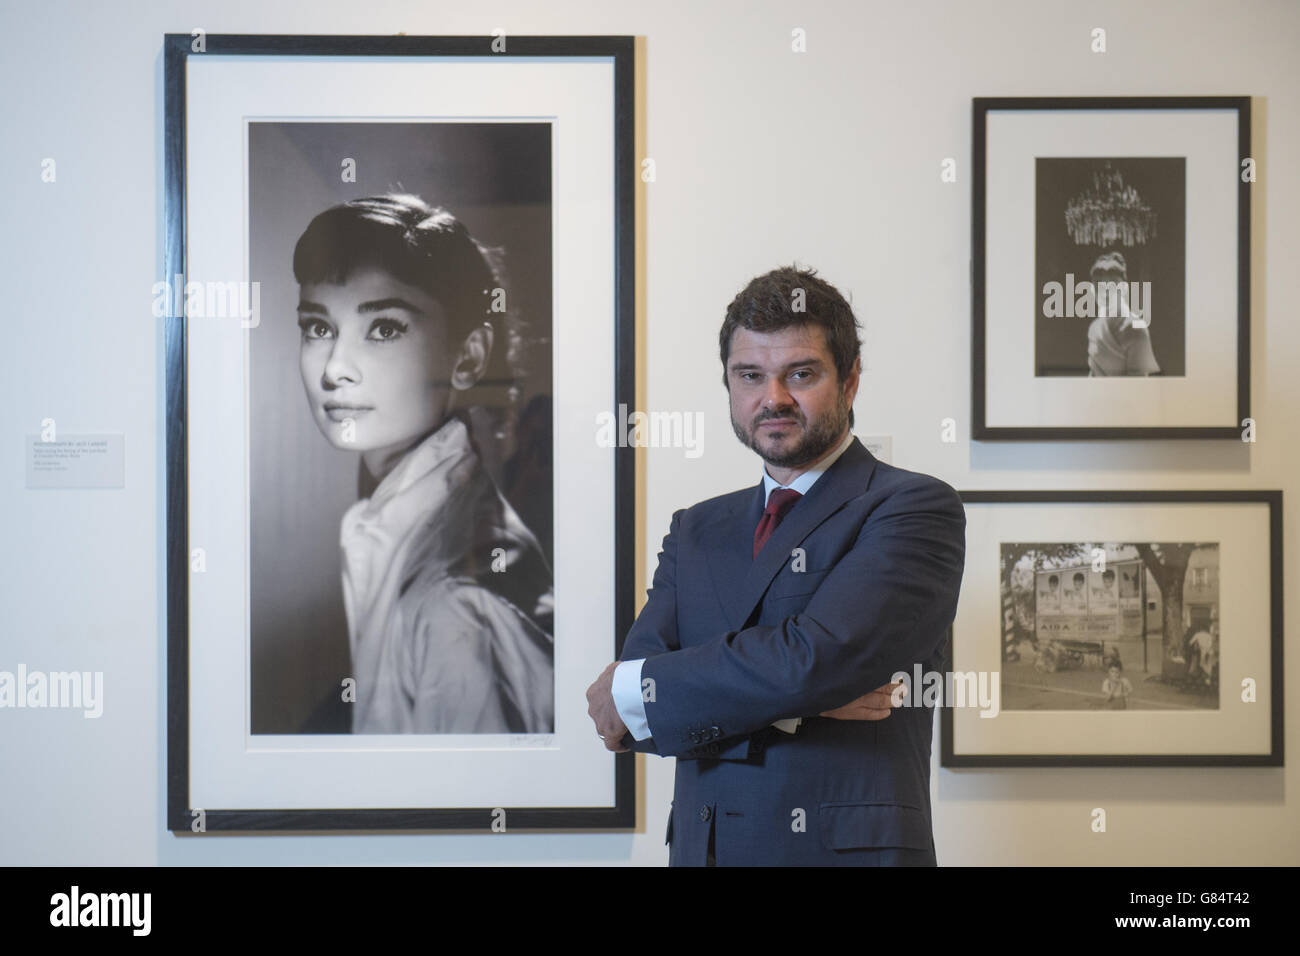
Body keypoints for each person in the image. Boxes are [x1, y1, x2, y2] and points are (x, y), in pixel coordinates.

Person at [585, 265, 966, 865]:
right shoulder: (696, 530)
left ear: (851, 379)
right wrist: (800, 701)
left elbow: (813, 661)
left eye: (801, 374)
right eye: (750, 376)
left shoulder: (910, 507)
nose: (774, 398)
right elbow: (630, 713)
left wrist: (713, 691)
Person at [293, 194, 554, 734]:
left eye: (384, 328)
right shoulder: (392, 520)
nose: (335, 369)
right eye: (319, 328)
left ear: (468, 358)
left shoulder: (455, 603)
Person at [1085, 251, 1160, 376]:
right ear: (1092, 290)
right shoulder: (1094, 328)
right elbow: (1092, 376)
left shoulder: (1136, 328)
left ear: (1124, 288)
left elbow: (1137, 386)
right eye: (1099, 285)